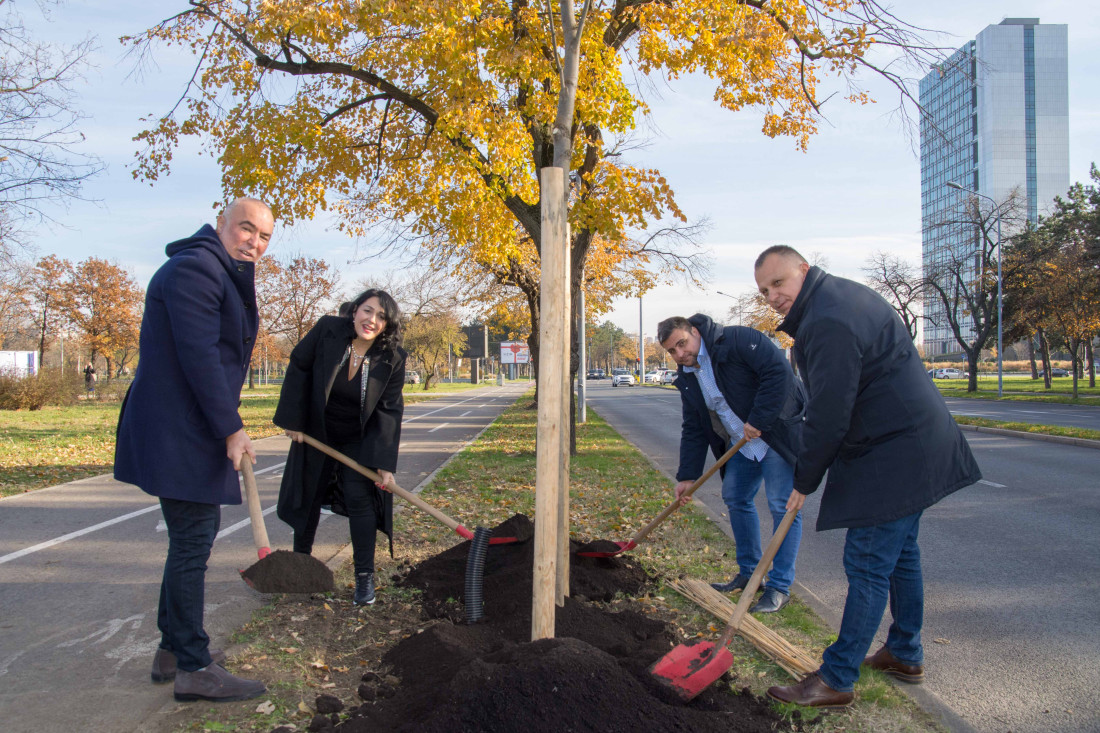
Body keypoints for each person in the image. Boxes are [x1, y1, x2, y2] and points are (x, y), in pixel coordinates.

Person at [753, 245, 981, 708]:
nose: (772, 296)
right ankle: (904, 652)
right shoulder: (834, 301)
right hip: (907, 444)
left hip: (897, 451)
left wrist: (804, 479)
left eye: (778, 283)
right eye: (764, 290)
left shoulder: (828, 320)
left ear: (803, 270)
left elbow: (830, 414)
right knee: (901, 556)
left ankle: (837, 678)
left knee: (868, 562)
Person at [114, 197, 273, 702]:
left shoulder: (214, 269)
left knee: (188, 538)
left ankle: (171, 649)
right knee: (192, 540)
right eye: (246, 228)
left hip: (185, 427)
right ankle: (193, 665)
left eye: (264, 236)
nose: (255, 241)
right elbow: (200, 355)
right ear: (220, 223)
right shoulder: (197, 270)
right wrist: (231, 429)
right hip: (179, 430)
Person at [658, 314, 806, 614]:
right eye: (672, 351)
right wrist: (688, 476)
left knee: (782, 506)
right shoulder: (687, 376)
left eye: (682, 344)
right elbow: (694, 426)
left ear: (695, 332)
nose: (680, 354)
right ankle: (750, 572)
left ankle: (779, 587)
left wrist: (760, 419)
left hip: (774, 435)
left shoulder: (738, 341)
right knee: (736, 498)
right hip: (740, 443)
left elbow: (778, 374)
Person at [274, 288, 407, 607]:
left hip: (358, 437)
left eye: (381, 316)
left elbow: (389, 409)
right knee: (307, 496)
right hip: (318, 430)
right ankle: (300, 568)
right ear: (354, 311)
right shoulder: (327, 331)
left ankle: (364, 577)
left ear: (388, 325)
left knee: (360, 500)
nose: (372, 320)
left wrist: (384, 463)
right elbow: (299, 365)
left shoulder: (393, 358)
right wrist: (294, 419)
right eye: (367, 311)